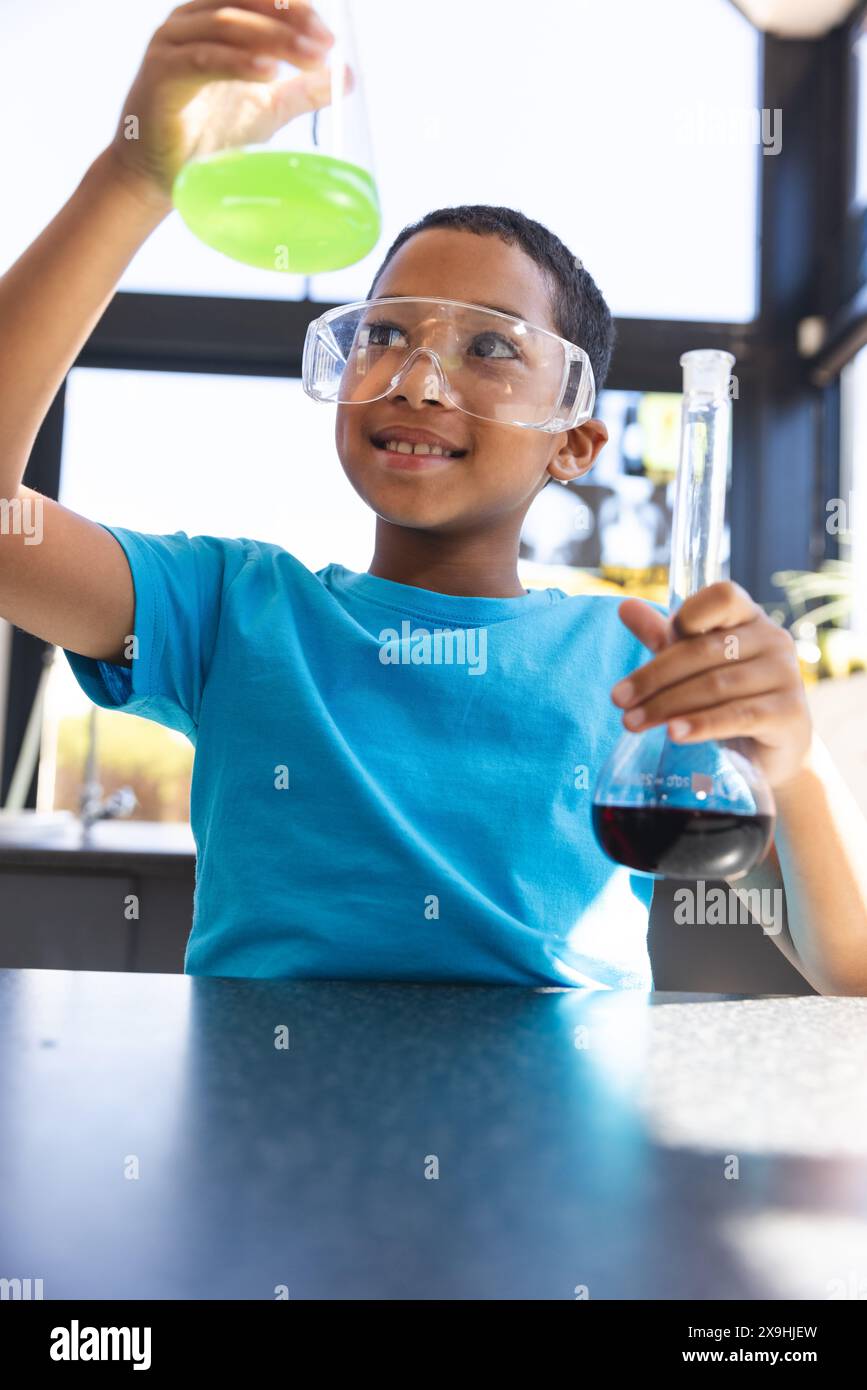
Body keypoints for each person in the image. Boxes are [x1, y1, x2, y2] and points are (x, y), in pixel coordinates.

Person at [2, 1, 866, 991]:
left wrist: (793, 762)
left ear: (575, 443)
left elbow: (853, 981)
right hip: (268, 1133)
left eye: (490, 347)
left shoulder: (643, 663)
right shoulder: (231, 610)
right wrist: (137, 176)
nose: (417, 378)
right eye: (384, 334)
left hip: (558, 1145)